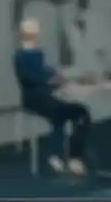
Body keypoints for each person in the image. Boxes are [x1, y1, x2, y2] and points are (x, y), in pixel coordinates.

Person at [13, 17, 91, 176]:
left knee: (72, 114)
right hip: (34, 100)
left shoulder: (36, 53)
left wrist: (58, 77)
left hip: (45, 98)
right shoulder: (21, 56)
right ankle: (65, 157)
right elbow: (33, 77)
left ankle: (65, 156)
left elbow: (45, 72)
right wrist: (52, 80)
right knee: (71, 113)